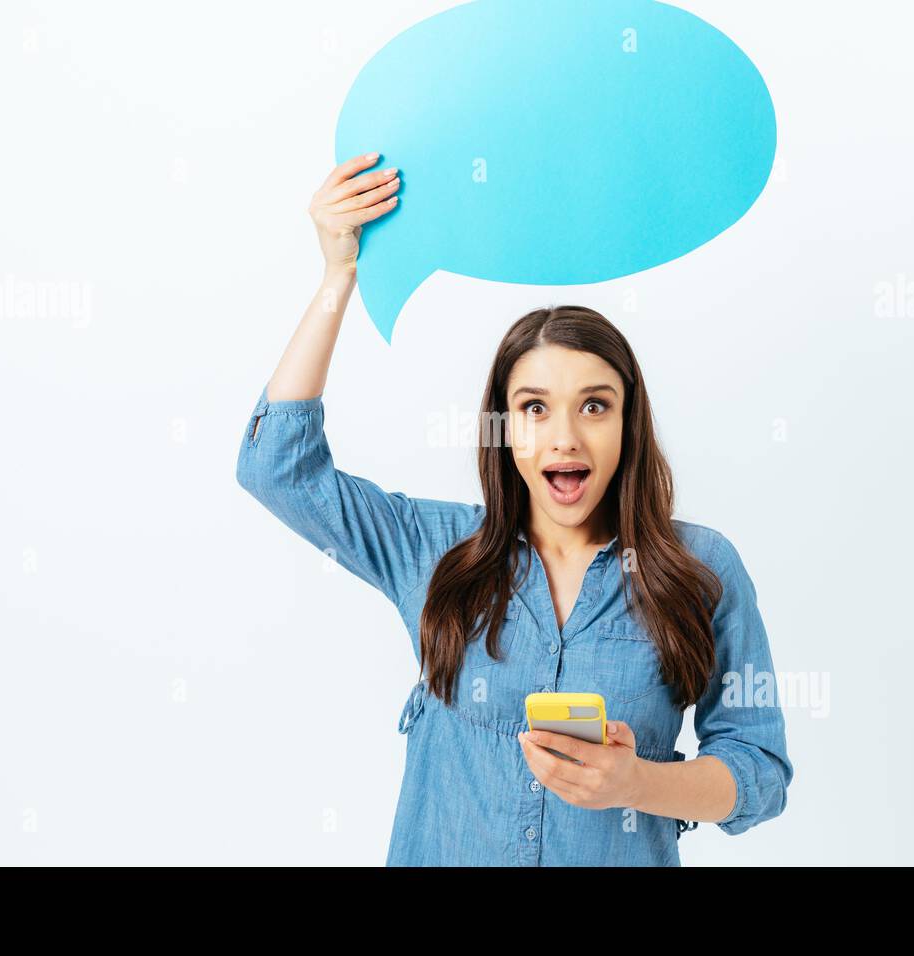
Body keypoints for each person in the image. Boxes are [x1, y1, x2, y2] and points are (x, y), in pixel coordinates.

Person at [235, 152, 792, 866]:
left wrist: (639, 782)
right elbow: (276, 467)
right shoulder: (432, 550)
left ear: (630, 424)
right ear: (504, 428)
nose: (564, 435)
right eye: (534, 408)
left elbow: (758, 771)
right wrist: (338, 276)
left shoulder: (702, 568)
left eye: (595, 405)